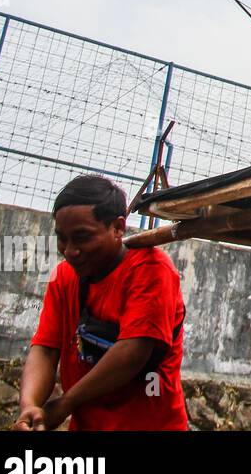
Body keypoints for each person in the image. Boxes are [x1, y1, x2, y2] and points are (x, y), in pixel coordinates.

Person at [15, 175, 187, 431]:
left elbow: (132, 353)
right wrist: (29, 406)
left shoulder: (152, 270)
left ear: (118, 227)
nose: (70, 250)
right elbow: (46, 348)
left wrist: (66, 403)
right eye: (62, 238)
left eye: (82, 238)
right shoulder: (64, 277)